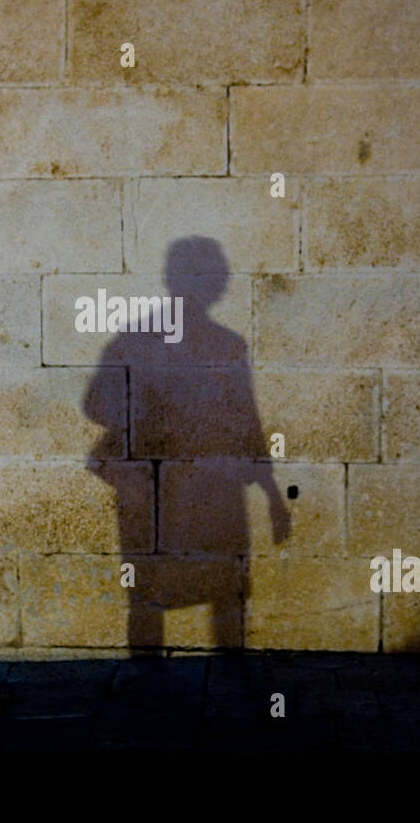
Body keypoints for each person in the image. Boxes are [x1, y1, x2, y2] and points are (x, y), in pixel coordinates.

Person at [83, 236, 289, 650]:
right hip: (177, 491)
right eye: (217, 272)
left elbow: (246, 421)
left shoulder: (150, 340)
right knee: (202, 597)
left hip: (195, 490)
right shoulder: (149, 341)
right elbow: (97, 403)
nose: (224, 280)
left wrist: (270, 494)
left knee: (169, 597)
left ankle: (155, 692)